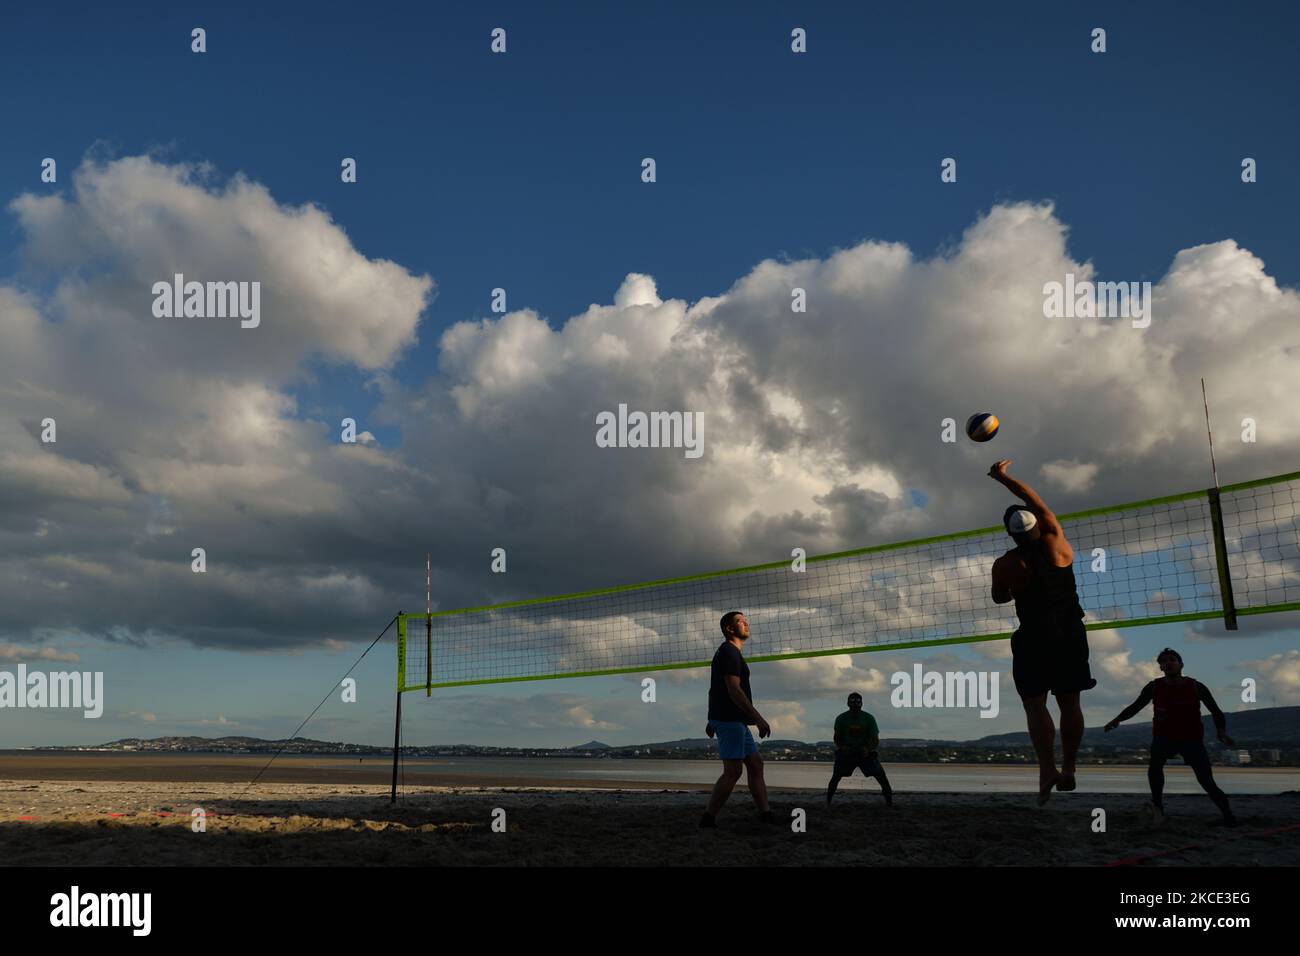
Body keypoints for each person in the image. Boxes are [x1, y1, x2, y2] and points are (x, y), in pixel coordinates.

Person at [989, 458, 1096, 805]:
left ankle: (1046, 768)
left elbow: (999, 598)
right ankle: (1070, 768)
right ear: (1038, 525)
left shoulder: (1005, 564)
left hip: (1034, 637)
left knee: (1035, 705)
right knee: (1070, 702)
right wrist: (1002, 477)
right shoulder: (1056, 541)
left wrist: (1014, 585)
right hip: (1069, 633)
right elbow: (1034, 498)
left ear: (1011, 533)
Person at [1105, 648, 1237, 826]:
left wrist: (1221, 731)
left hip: (1191, 739)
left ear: (1181, 664)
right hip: (1163, 737)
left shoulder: (1196, 686)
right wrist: (1117, 719)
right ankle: (1158, 808)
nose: (1168, 663)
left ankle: (1228, 815)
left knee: (1206, 780)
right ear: (1160, 667)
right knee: (1154, 769)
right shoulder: (1154, 687)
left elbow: (1215, 711)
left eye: (1172, 659)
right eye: (1164, 661)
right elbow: (1135, 707)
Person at [700, 611, 775, 828]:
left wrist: (710, 717)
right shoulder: (729, 652)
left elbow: (714, 688)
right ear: (729, 629)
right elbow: (733, 689)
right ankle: (708, 818)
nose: (746, 623)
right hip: (730, 719)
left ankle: (765, 814)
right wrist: (758, 718)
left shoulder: (731, 652)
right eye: (740, 621)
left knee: (755, 764)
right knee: (733, 771)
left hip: (732, 719)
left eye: (746, 620)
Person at [826, 692, 893, 808]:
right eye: (852, 702)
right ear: (848, 703)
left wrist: (868, 749)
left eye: (858, 702)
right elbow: (837, 737)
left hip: (865, 753)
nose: (855, 704)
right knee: (835, 777)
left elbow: (875, 739)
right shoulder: (841, 718)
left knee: (882, 777)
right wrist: (842, 747)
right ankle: (828, 803)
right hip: (847, 752)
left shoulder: (869, 718)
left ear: (862, 703)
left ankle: (889, 803)